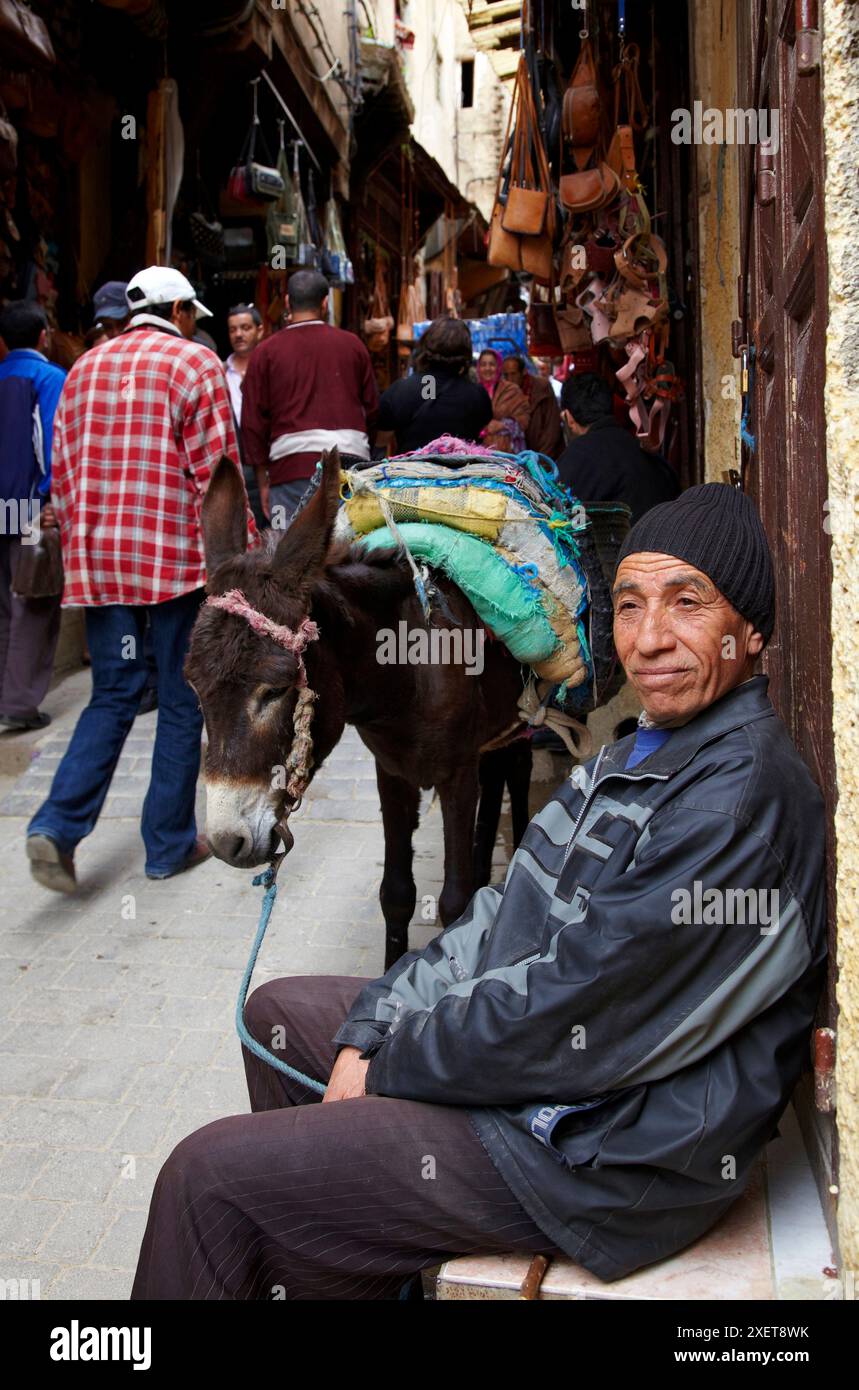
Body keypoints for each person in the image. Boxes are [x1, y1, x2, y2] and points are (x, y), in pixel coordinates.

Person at [131, 484, 826, 1300]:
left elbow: (577, 1018)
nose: (648, 640)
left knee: (206, 1177)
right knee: (277, 1017)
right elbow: (504, 910)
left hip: (606, 1156)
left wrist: (390, 1060)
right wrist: (381, 1017)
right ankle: (337, 1261)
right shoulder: (637, 751)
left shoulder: (736, 805)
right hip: (562, 1083)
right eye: (630, 606)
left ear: (749, 629)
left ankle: (302, 1219)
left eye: (688, 604)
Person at [25, 267, 253, 892]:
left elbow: (63, 479)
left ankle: (57, 825)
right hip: (173, 563)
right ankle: (166, 845)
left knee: (114, 692)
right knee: (182, 699)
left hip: (103, 563)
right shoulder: (194, 364)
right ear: (178, 310)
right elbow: (218, 475)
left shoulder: (84, 371)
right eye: (193, 314)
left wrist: (83, 547)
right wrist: (245, 558)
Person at [241, 269, 379, 527]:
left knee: (290, 557)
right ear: (325, 303)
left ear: (287, 302)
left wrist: (263, 483)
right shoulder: (353, 346)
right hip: (349, 467)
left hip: (290, 469)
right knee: (346, 554)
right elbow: (372, 410)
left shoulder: (266, 352)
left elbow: (252, 423)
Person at [0, 300, 66, 732]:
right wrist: (49, 498)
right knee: (32, 601)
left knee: (4, 602)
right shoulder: (49, 377)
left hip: (2, 505)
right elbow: (54, 448)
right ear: (44, 334)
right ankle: (20, 703)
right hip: (26, 506)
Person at [557, 372, 680, 522]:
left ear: (569, 417)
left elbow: (565, 523)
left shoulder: (577, 456)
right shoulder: (643, 450)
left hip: (625, 543)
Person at [375, 317, 491, 453]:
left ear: (425, 345)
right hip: (464, 472)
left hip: (411, 472)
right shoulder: (478, 395)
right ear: (466, 351)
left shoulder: (399, 390)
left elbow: (381, 442)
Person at [223, 304, 266, 529]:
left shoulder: (269, 368)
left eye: (245, 327)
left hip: (266, 462)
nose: (239, 334)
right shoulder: (219, 371)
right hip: (235, 463)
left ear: (259, 330)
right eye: (233, 330)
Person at [502, 354, 563, 459]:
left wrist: (541, 461)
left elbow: (551, 429)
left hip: (543, 455)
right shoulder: (505, 393)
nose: (509, 379)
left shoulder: (541, 388)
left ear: (524, 372)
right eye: (506, 375)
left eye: (513, 374)